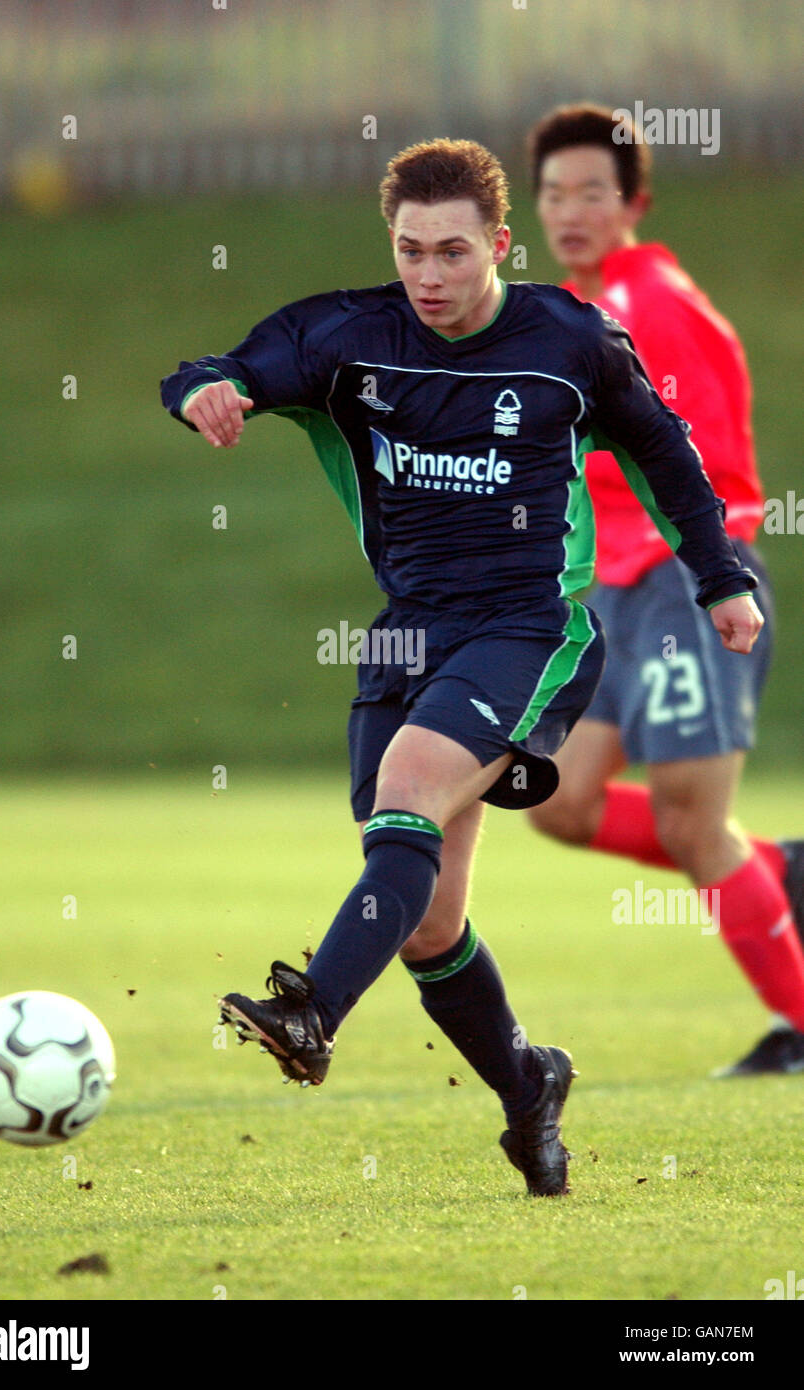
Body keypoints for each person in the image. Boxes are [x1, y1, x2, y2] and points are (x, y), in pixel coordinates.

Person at [160, 138, 762, 1196]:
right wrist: (205, 393)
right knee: (424, 918)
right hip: (406, 637)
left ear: (498, 244)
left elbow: (664, 447)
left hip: (528, 628)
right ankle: (527, 1084)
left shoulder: (565, 340)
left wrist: (716, 575)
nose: (428, 276)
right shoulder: (346, 335)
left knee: (406, 797)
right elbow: (220, 368)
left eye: (450, 251)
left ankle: (309, 1009)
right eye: (408, 251)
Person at [525, 103, 804, 1076]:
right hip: (609, 588)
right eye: (552, 192)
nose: (570, 210)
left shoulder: (652, 301)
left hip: (684, 576)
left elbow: (697, 462)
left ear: (632, 202)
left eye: (590, 192)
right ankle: (771, 869)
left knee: (688, 820)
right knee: (554, 798)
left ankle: (799, 1021)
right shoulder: (574, 309)